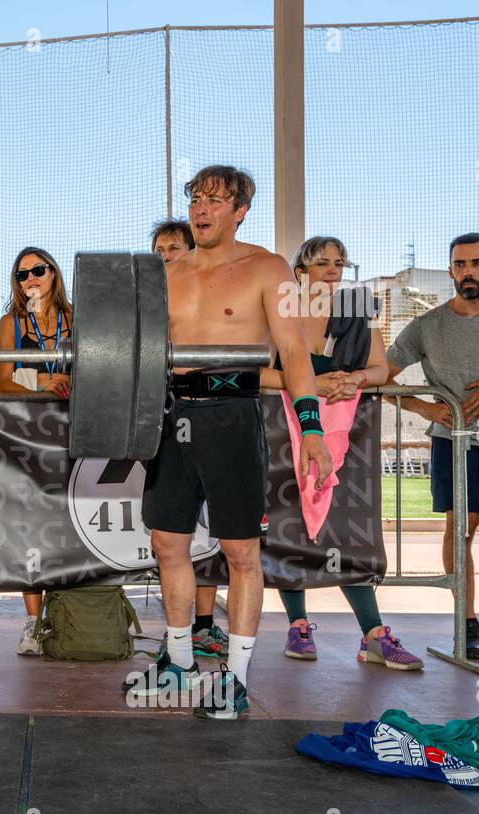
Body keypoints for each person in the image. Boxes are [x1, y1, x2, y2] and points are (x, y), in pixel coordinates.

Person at [131, 165, 332, 719]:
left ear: (240, 210)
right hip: (173, 417)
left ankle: (236, 679)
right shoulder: (164, 272)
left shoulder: (267, 268)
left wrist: (311, 428)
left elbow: (293, 354)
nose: (201, 209)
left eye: (215, 201)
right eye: (196, 198)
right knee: (168, 544)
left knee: (242, 553)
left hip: (233, 417)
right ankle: (177, 664)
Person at [260, 237, 420, 669]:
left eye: (339, 263)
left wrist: (356, 380)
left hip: (344, 429)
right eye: (321, 263)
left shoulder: (356, 307)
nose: (332, 270)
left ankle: (373, 634)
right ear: (299, 271)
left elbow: (381, 367)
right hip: (281, 427)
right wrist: (311, 386)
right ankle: (297, 625)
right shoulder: (280, 309)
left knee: (347, 527)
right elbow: (255, 373)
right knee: (286, 523)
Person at [386, 233, 479, 669]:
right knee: (461, 527)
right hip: (453, 443)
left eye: (476, 263)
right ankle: (466, 624)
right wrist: (426, 405)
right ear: (451, 270)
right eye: (459, 264)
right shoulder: (426, 326)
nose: (467, 271)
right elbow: (383, 378)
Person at [151, 219, 228, 658]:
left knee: (216, 531)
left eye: (174, 246)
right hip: (164, 421)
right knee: (168, 535)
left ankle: (204, 624)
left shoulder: (211, 289)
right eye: (159, 248)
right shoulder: (150, 298)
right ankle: (177, 638)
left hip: (216, 417)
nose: (166, 254)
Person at [0, 247, 71, 655]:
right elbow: (2, 382)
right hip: (29, 435)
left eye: (38, 270)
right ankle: (32, 621)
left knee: (74, 526)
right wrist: (41, 381)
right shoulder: (12, 322)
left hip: (76, 433)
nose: (31, 280)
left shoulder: (76, 317)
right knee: (30, 528)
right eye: (22, 275)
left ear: (54, 274)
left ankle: (78, 615)